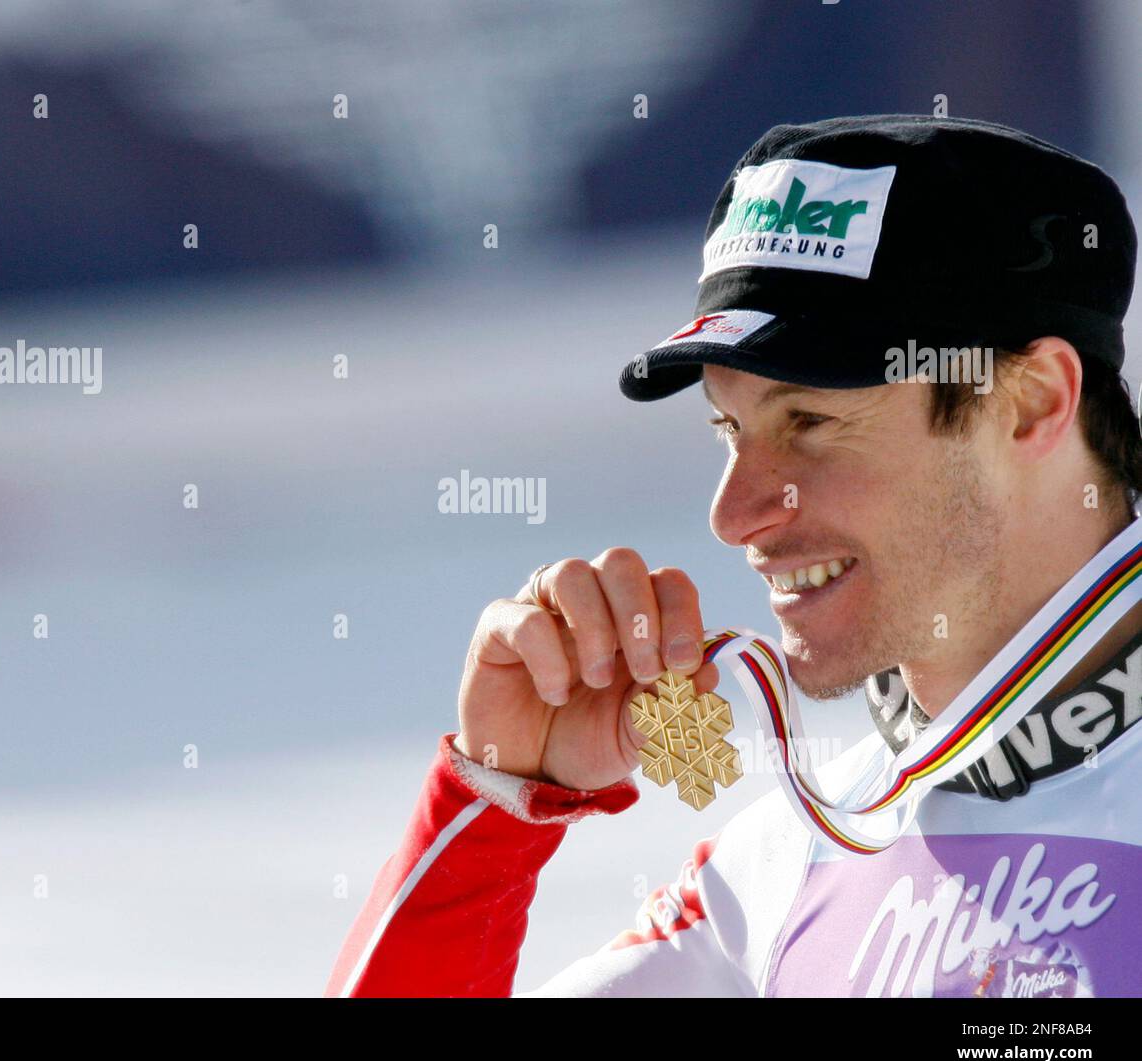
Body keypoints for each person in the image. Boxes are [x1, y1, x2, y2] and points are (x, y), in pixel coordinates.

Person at [326, 115, 1142, 997]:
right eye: (731, 428)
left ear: (1029, 403)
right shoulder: (781, 872)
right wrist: (493, 803)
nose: (732, 513)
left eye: (811, 424)